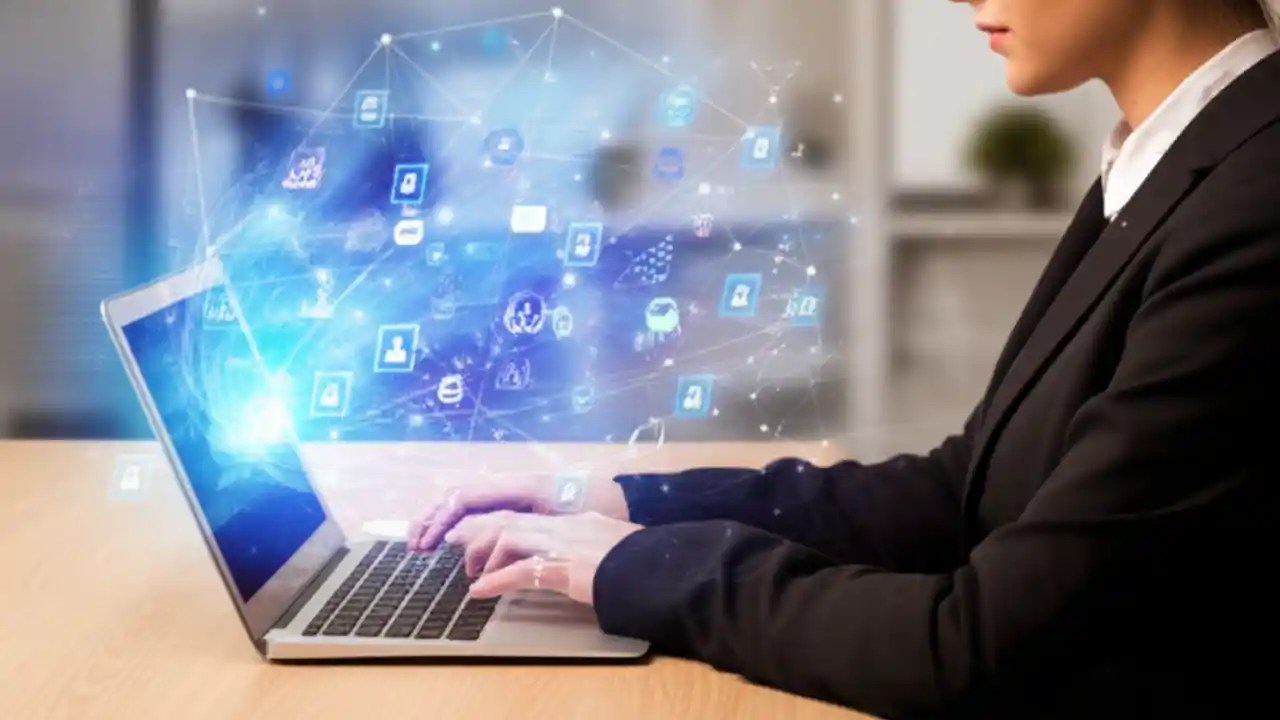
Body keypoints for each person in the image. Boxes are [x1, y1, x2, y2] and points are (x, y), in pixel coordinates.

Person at [408, 0, 1280, 716]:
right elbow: (967, 491)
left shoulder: (1256, 199)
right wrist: (623, 504)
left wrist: (641, 571)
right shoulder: (1175, 161)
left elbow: (976, 646)